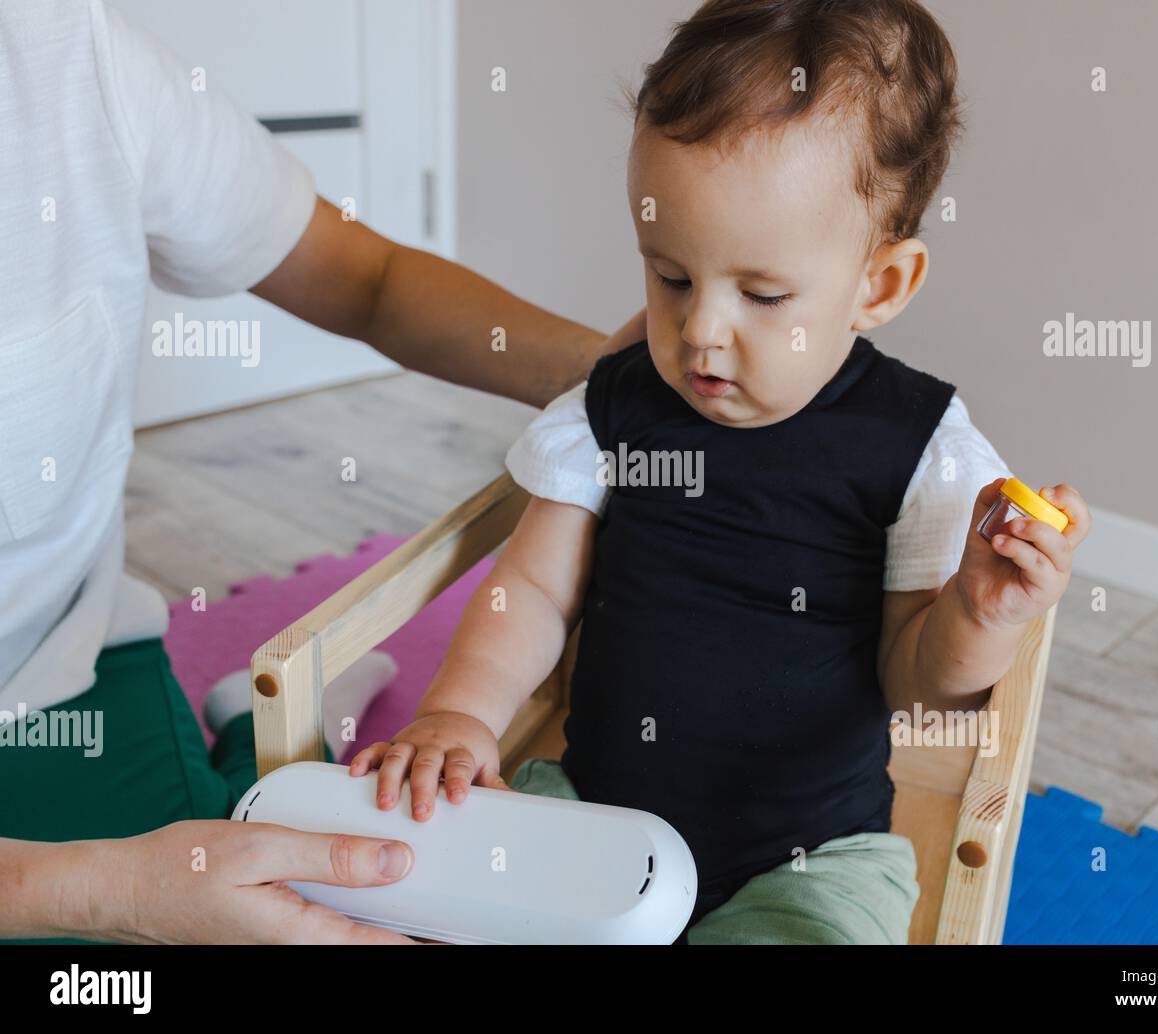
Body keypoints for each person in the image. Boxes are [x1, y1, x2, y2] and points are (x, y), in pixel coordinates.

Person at [353, 0, 1093, 944]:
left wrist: (980, 614)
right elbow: (533, 590)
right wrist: (458, 714)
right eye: (670, 277)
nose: (701, 329)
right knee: (431, 901)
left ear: (880, 285)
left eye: (762, 293)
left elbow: (919, 690)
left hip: (813, 857)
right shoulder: (612, 409)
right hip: (592, 812)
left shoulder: (919, 446)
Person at [0, 0, 644, 944]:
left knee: (264, 905)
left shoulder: (69, 55)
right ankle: (257, 761)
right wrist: (98, 889)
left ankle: (257, 761)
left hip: (55, 673)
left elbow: (364, 277)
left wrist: (633, 384)